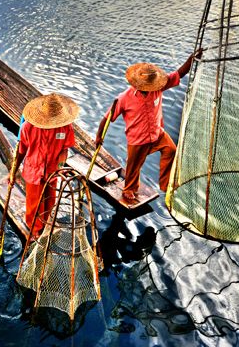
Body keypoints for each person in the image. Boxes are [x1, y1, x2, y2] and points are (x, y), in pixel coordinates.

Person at [95, 49, 202, 202]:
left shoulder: (158, 87)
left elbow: (179, 74)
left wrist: (192, 59)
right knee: (133, 167)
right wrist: (99, 136)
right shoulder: (124, 98)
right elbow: (106, 118)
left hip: (157, 134)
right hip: (138, 139)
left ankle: (165, 184)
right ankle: (129, 189)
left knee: (171, 150)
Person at [14, 93, 78, 239]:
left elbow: (64, 150)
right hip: (33, 169)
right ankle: (35, 229)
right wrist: (14, 171)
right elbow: (21, 151)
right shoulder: (27, 127)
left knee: (50, 200)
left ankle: (47, 223)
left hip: (52, 170)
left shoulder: (65, 128)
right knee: (34, 203)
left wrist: (60, 166)